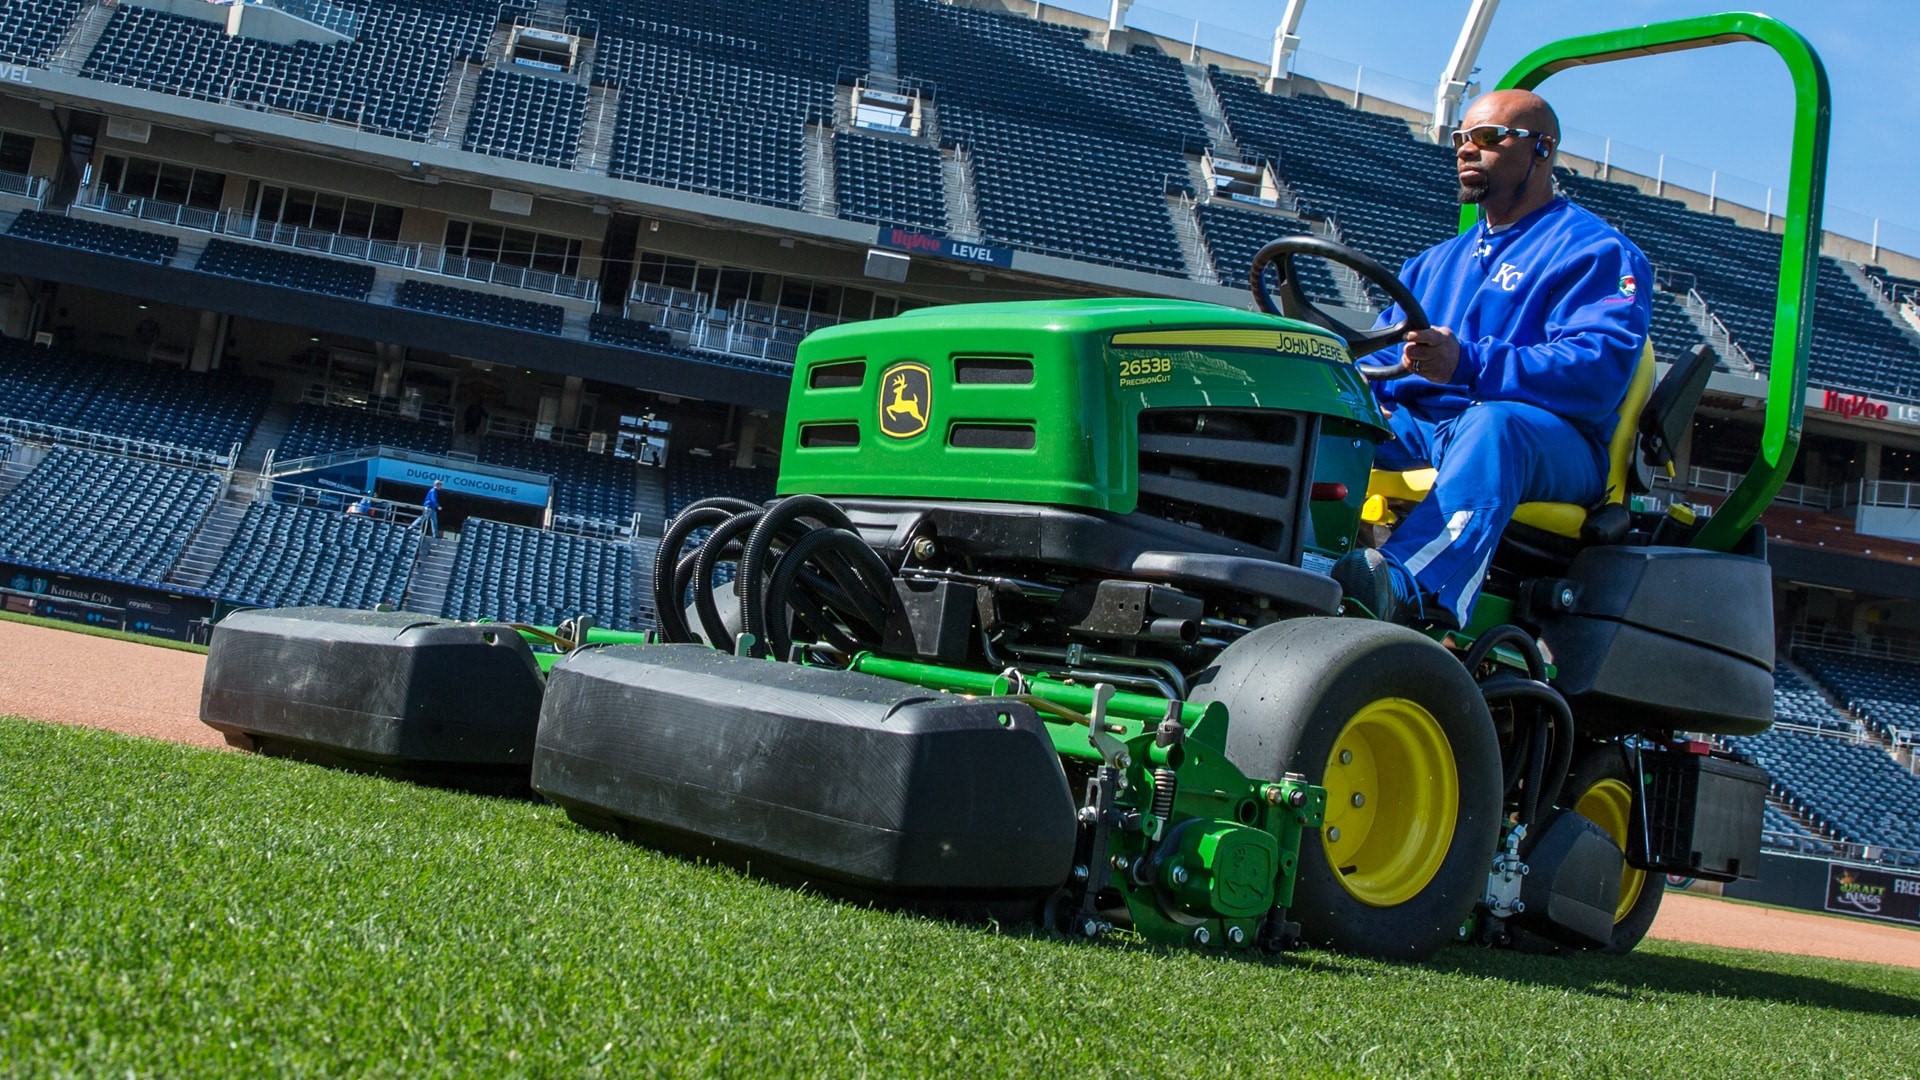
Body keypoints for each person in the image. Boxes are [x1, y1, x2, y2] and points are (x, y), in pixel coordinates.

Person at [1331, 89, 1652, 627]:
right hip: (1425, 426)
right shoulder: (1431, 263)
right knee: (1334, 417)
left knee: (1492, 425)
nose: (1465, 150)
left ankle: (1409, 587)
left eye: (1487, 138)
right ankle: (1287, 558)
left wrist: (1469, 363)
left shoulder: (1594, 251)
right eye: (1461, 138)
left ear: (1542, 149)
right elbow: (1380, 361)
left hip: (1551, 441)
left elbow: (1598, 371)